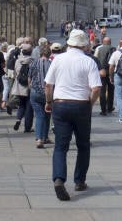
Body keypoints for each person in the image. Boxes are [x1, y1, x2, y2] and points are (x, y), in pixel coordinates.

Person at [43, 29, 101, 201]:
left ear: (68, 43)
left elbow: (48, 85)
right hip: (81, 104)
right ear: (84, 45)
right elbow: (96, 88)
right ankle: (79, 181)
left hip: (60, 104)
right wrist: (89, 103)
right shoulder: (88, 61)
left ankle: (59, 179)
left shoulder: (58, 59)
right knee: (83, 145)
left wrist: (48, 102)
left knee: (61, 146)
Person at [29, 44, 53, 148]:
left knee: (39, 115)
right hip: (48, 92)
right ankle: (44, 137)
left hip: (35, 92)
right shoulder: (52, 64)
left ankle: (40, 138)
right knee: (47, 115)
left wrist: (32, 88)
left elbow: (29, 78)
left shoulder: (33, 63)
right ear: (49, 53)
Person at [12, 42, 35, 133]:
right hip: (30, 86)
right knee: (29, 107)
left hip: (20, 86)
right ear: (31, 51)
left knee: (21, 104)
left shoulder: (18, 61)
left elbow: (15, 73)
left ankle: (18, 119)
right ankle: (27, 127)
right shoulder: (33, 61)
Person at [93, 37, 115, 116]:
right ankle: (109, 107)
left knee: (102, 91)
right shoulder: (113, 49)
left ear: (103, 42)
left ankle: (103, 109)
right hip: (110, 72)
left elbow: (94, 59)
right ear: (110, 42)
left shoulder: (99, 49)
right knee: (111, 90)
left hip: (101, 72)